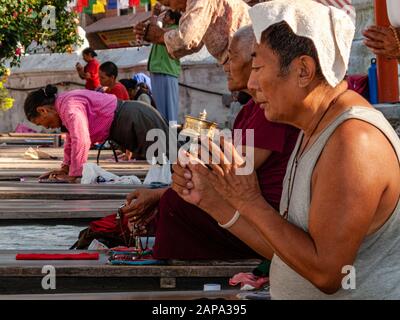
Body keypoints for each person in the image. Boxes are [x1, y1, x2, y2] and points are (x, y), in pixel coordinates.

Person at [171, 0, 400, 299]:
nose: (251, 83)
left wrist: (250, 200)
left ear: (303, 70)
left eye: (257, 67)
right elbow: (289, 253)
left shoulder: (354, 141)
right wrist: (216, 203)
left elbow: (327, 273)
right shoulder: (314, 129)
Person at [120, 25, 299, 260]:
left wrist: (172, 188)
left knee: (175, 204)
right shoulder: (250, 110)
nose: (224, 66)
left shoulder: (272, 110)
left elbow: (234, 172)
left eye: (231, 58)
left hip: (267, 218)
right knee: (173, 197)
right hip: (244, 203)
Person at [23, 85, 169, 183]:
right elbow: (71, 139)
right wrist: (65, 168)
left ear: (43, 110)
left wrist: (75, 174)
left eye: (40, 123)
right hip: (130, 122)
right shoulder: (64, 106)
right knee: (165, 169)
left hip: (137, 119)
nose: (46, 127)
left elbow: (81, 139)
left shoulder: (69, 107)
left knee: (173, 165)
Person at [134, 0, 251, 65]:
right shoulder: (192, 9)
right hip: (241, 58)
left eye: (168, 4)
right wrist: (157, 35)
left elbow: (186, 38)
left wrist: (159, 36)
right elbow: (194, 41)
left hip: (250, 54)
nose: (173, 10)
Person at [148, 9, 182, 123]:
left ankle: (170, 138)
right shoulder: (166, 30)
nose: (164, 18)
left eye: (166, 16)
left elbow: (154, 34)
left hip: (166, 72)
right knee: (161, 111)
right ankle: (165, 137)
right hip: (160, 71)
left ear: (173, 20)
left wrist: (154, 18)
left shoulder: (174, 30)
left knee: (169, 111)